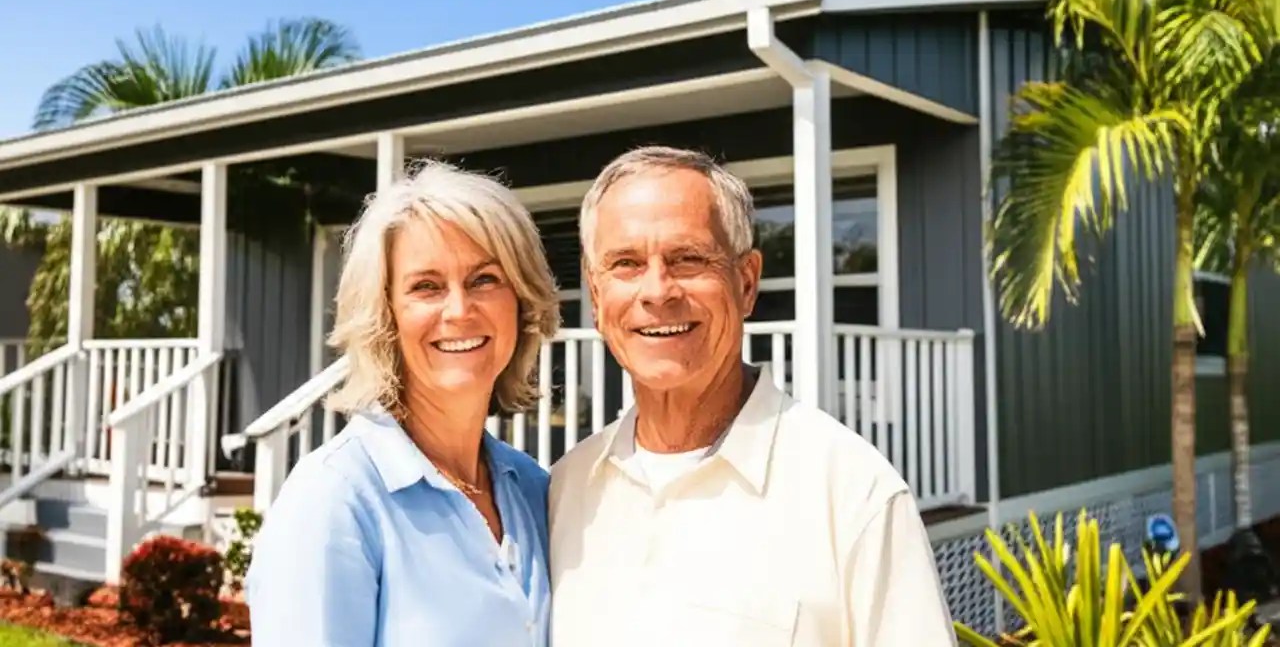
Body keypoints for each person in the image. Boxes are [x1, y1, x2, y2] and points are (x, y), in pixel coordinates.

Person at [548, 146, 956, 646]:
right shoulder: (566, 490)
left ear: (747, 282)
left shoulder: (852, 492)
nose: (657, 291)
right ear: (595, 295)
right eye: (626, 264)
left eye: (688, 258)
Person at [246, 160, 561, 646]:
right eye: (426, 287)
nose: (458, 310)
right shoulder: (334, 500)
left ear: (521, 301)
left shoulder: (535, 491)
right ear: (385, 314)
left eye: (484, 280)